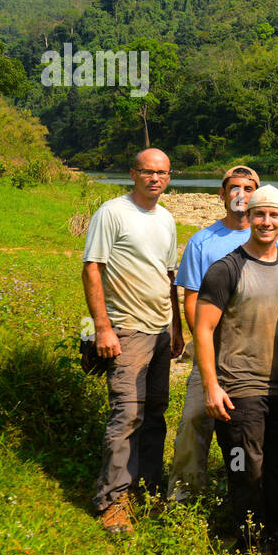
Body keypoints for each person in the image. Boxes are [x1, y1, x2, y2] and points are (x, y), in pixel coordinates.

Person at [169, 165, 278, 502]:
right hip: (214, 354)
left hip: (264, 362)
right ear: (222, 194)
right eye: (235, 187)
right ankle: (184, 496)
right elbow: (193, 301)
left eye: (249, 186)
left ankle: (256, 502)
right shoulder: (204, 241)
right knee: (195, 420)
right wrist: (206, 352)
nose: (242, 193)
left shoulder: (277, 236)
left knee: (261, 441)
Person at [193, 185, 278, 551]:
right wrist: (212, 386)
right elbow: (204, 330)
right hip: (239, 392)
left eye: (274, 215)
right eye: (260, 214)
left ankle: (277, 534)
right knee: (244, 469)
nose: (266, 221)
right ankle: (248, 542)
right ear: (248, 216)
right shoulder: (226, 269)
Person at [82, 147, 184, 535]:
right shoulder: (112, 212)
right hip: (126, 328)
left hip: (160, 331)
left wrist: (177, 327)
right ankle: (112, 500)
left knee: (155, 413)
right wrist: (103, 327)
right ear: (133, 173)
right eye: (147, 172)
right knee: (127, 414)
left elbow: (168, 275)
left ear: (169, 177)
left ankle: (146, 488)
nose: (154, 178)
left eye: (161, 173)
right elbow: (92, 268)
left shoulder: (168, 219)